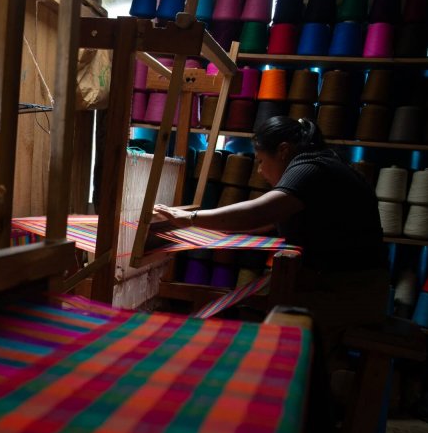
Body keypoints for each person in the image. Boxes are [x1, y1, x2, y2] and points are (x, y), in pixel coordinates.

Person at [152, 115, 389, 365]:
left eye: (262, 160)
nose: (260, 170)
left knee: (278, 346)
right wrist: (202, 230)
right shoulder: (323, 164)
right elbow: (266, 221)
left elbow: (259, 212)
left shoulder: (311, 168)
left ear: (284, 151)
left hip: (352, 293)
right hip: (347, 286)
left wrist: (190, 218)